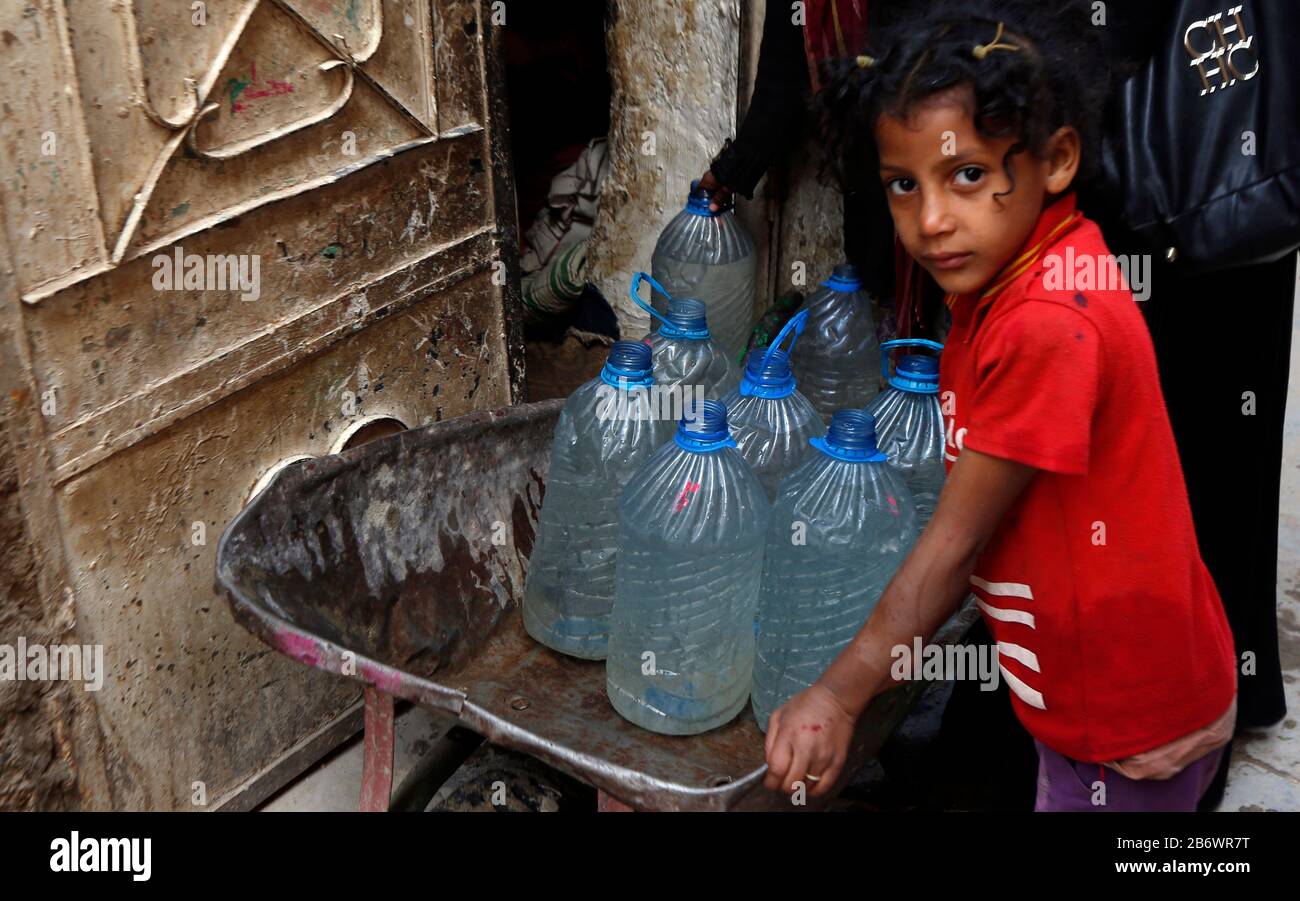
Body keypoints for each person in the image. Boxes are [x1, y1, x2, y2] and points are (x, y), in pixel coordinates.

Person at [762, 3, 1238, 812]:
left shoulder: (1049, 321)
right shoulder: (1015, 275)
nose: (932, 220)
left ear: (1056, 160)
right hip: (1087, 692)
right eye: (903, 186)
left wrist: (840, 695)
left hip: (1125, 719)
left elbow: (954, 546)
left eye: (968, 175)